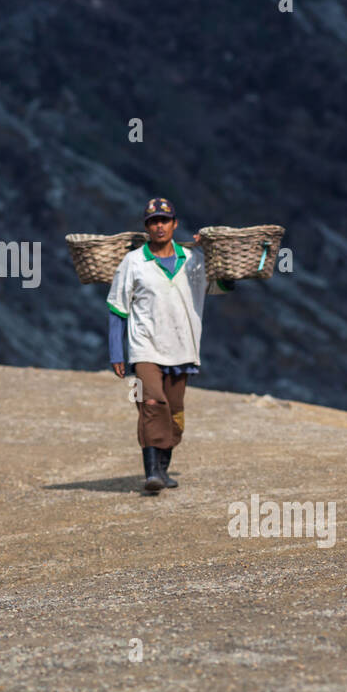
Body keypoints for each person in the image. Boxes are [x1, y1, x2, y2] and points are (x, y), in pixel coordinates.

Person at [107, 198, 233, 492]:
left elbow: (222, 286)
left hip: (182, 347)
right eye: (153, 222)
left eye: (164, 220)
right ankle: (151, 472)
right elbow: (117, 307)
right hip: (145, 349)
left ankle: (163, 468)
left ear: (175, 224)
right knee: (151, 403)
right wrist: (117, 351)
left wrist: (214, 250)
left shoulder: (195, 261)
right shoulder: (133, 262)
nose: (159, 226)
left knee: (174, 411)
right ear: (146, 227)